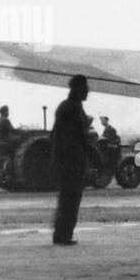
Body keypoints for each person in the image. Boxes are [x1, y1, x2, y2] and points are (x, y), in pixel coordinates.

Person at [50, 74, 90, 245]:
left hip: (68, 159)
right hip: (71, 160)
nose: (88, 90)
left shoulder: (69, 106)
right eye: (85, 87)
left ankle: (62, 234)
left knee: (68, 198)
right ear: (78, 88)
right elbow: (76, 136)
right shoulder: (72, 108)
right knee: (70, 199)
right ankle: (63, 235)